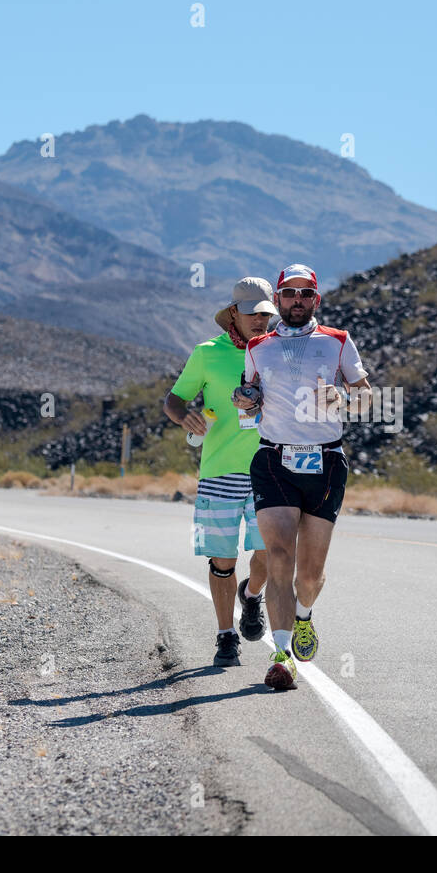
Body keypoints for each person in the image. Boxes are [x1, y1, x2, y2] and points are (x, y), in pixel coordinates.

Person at [233, 264, 372, 690]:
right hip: (274, 460)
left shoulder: (338, 341)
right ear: (277, 300)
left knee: (308, 577)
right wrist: (246, 400)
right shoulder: (258, 346)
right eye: (289, 294)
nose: (297, 300)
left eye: (305, 293)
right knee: (277, 555)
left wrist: (346, 398)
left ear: (316, 298)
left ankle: (305, 616)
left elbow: (368, 398)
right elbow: (247, 401)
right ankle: (281, 654)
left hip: (325, 462)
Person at [164, 278, 278, 667]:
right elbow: (174, 399)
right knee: (222, 560)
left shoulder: (278, 352)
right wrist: (185, 418)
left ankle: (252, 596)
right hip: (219, 473)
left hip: (270, 471)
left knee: (267, 556)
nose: (261, 322)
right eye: (253, 315)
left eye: (266, 314)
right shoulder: (206, 354)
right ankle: (225, 635)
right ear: (234, 314)